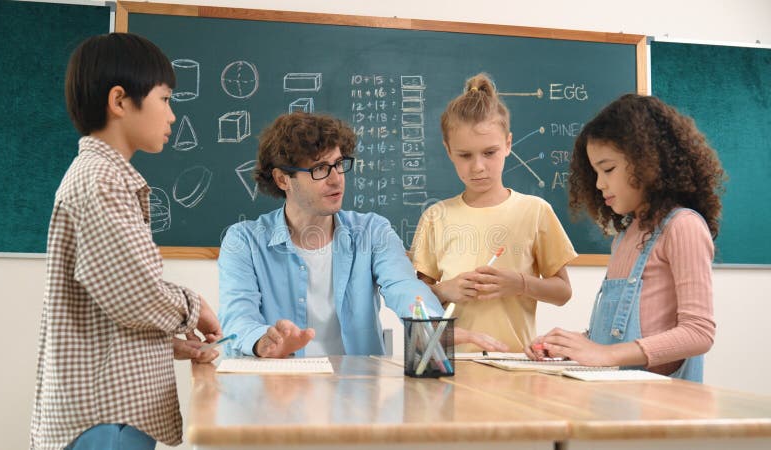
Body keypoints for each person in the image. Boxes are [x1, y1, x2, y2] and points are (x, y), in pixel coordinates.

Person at [31, 33, 223, 450]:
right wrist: (194, 307)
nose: (173, 116)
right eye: (165, 99)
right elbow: (135, 295)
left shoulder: (104, 178)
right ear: (120, 101)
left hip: (107, 409)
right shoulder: (102, 182)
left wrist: (169, 344)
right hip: (105, 417)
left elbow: (111, 304)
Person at [218, 112, 508, 358]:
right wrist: (264, 342)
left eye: (339, 164)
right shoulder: (244, 241)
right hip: (277, 395)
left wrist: (430, 326)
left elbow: (404, 286)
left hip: (355, 393)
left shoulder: (372, 232)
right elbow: (237, 317)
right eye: (320, 169)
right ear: (283, 179)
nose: (336, 179)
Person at [525, 94, 724, 382]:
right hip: (620, 402)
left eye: (608, 169)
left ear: (649, 161)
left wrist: (605, 355)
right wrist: (569, 346)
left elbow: (698, 333)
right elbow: (611, 342)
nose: (599, 183)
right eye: (594, 172)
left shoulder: (683, 226)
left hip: (665, 411)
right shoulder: (625, 237)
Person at [409, 73, 577, 352]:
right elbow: (415, 302)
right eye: (465, 155)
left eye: (490, 153)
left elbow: (563, 293)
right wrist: (443, 290)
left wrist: (520, 283)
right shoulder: (435, 217)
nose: (478, 167)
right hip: (451, 364)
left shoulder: (535, 211)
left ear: (509, 144)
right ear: (448, 151)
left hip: (514, 363)